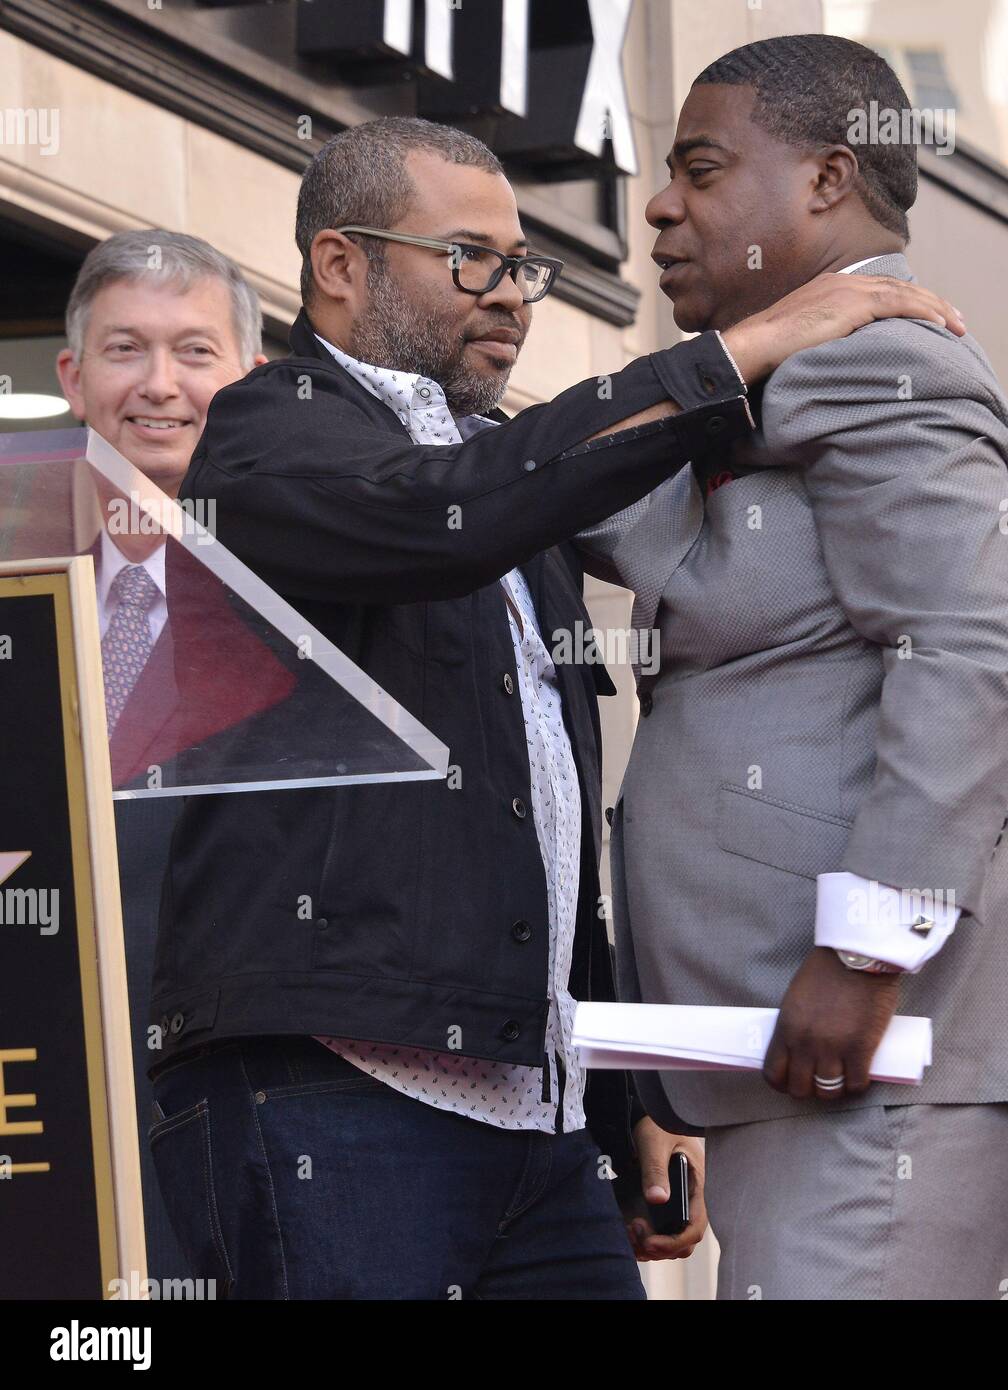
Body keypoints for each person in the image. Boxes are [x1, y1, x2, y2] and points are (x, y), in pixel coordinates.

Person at [147, 115, 964, 1300]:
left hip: (539, 1117)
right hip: (331, 1090)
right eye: (470, 258)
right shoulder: (266, 433)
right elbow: (444, 511)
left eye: (523, 266)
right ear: (341, 264)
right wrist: (738, 353)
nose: (511, 297)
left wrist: (624, 1096)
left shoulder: (521, 496)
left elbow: (550, 828)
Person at [575, 34, 1008, 1300]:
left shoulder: (881, 356)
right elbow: (611, 515)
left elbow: (971, 651)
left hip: (893, 1049)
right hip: (803, 1064)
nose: (661, 204)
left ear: (827, 180)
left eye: (702, 170)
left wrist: (868, 946)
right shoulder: (776, 371)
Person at [54, 228, 268, 1283]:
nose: (159, 385)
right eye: (125, 349)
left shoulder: (318, 590)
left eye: (195, 352)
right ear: (72, 375)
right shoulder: (17, 577)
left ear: (251, 377)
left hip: (253, 1094)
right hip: (47, 1078)